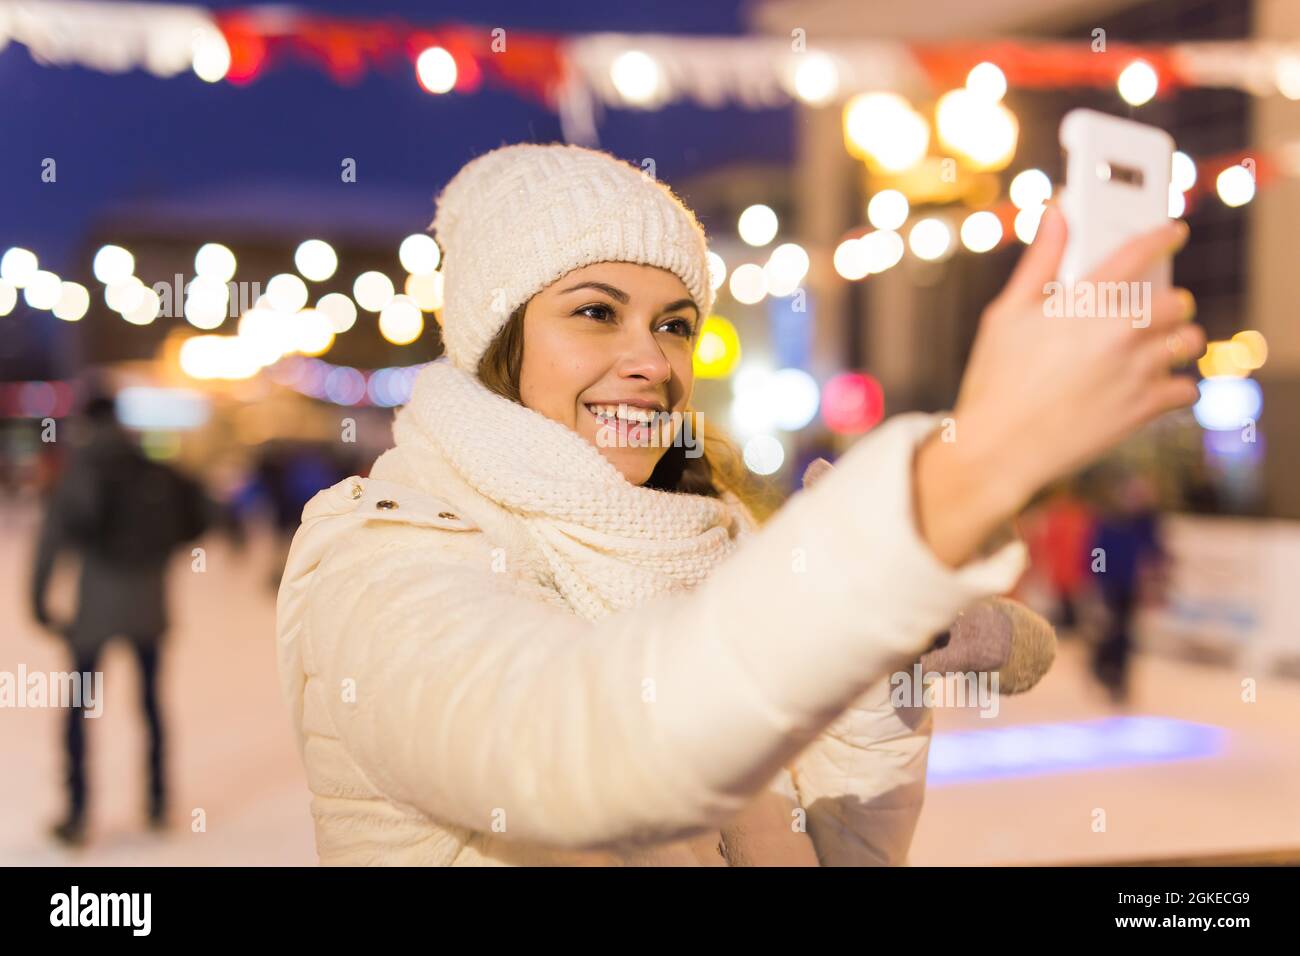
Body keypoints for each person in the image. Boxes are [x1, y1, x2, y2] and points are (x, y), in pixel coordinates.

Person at [275, 143, 1203, 866]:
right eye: (596, 312)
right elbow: (593, 748)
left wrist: (870, 680)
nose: (653, 360)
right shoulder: (385, 556)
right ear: (496, 339)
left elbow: (836, 854)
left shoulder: (712, 546)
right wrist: (954, 481)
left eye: (674, 324)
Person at [30, 393, 213, 846]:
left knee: (79, 709)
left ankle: (77, 813)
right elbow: (203, 512)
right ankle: (156, 801)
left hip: (95, 610)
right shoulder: (150, 466)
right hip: (151, 606)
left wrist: (39, 602)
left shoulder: (81, 471)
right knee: (150, 704)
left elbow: (50, 542)